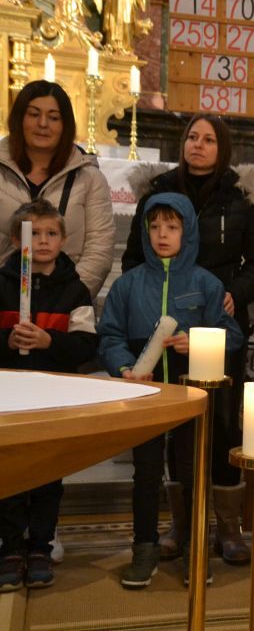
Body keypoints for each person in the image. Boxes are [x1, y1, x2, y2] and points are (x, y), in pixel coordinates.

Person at [124, 114, 254, 565]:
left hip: (218, 322)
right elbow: (135, 257)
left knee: (223, 424)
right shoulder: (158, 192)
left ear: (222, 148)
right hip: (168, 324)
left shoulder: (242, 197)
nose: (198, 145)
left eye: (209, 139)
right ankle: (182, 522)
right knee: (175, 425)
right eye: (192, 137)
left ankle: (228, 526)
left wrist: (233, 294)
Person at [99, 193, 242, 589]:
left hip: (190, 394)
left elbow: (232, 337)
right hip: (145, 394)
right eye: (156, 226)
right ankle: (144, 549)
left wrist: (196, 341)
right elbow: (110, 335)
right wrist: (125, 367)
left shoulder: (205, 283)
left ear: (188, 232)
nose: (163, 234)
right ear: (146, 232)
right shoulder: (128, 285)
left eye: (173, 227)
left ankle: (196, 550)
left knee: (193, 473)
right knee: (144, 475)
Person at [0, 200, 97, 591]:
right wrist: (7, 341)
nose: (42, 241)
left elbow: (87, 345)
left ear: (63, 239)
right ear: (14, 240)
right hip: (10, 393)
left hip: (54, 393)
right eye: (33, 233)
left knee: (47, 474)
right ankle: (9, 546)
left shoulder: (75, 290)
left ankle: (41, 545)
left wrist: (48, 340)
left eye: (50, 233)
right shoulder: (2, 284)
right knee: (10, 468)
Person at [0, 80, 113, 298]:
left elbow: (99, 249)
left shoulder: (88, 178)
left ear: (65, 125)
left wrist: (68, 299)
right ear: (19, 118)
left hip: (63, 309)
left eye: (53, 117)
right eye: (33, 114)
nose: (43, 124)